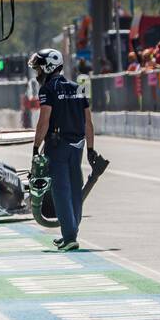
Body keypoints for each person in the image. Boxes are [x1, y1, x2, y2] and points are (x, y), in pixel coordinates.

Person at [30, 47, 97, 252]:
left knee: (61, 191)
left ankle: (69, 236)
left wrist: (35, 147)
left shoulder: (48, 89)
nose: (37, 72)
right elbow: (88, 122)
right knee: (75, 189)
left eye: (39, 68)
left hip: (57, 146)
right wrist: (91, 149)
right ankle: (70, 233)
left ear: (48, 67)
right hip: (77, 146)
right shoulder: (77, 88)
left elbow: (44, 122)